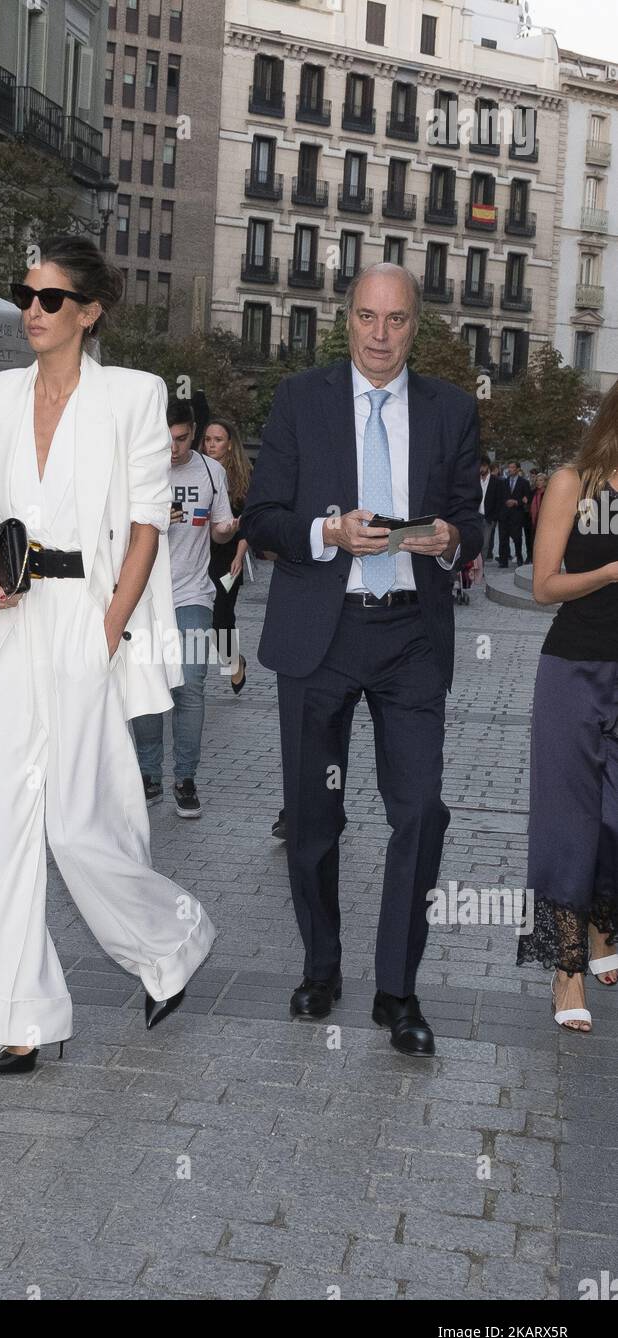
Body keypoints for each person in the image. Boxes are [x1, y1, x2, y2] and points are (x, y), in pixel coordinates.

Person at [0, 236, 217, 1073]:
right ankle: (17, 1018)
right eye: (24, 293)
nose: (32, 309)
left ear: (89, 312)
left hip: (87, 619)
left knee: (78, 821)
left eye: (51, 298)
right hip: (10, 616)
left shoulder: (131, 397)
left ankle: (171, 940)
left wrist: (108, 629)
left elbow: (145, 525)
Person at [240, 262, 483, 1057]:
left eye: (398, 320)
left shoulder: (450, 410)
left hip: (411, 636)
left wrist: (452, 539)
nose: (381, 335)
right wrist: (328, 534)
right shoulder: (299, 400)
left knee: (420, 813)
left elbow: (469, 523)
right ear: (346, 318)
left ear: (418, 326)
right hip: (322, 632)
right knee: (315, 815)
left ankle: (396, 989)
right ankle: (321, 965)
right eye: (368, 317)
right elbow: (263, 516)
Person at [518, 385, 618, 1030]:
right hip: (575, 667)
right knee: (568, 818)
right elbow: (543, 585)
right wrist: (611, 571)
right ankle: (569, 969)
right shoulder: (572, 485)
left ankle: (606, 929)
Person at [131, 400, 237, 818]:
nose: (172, 449)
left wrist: (228, 531)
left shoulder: (212, 472)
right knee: (147, 687)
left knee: (189, 686)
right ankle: (148, 774)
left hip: (193, 595)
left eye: (180, 439)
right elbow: (114, 531)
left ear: (193, 433)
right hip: (143, 598)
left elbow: (221, 529)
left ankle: (185, 778)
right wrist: (157, 519)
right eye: (166, 439)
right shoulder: (141, 470)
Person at [201, 416, 252, 693]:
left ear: (230, 445)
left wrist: (240, 556)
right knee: (197, 618)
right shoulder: (196, 471)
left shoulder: (242, 477)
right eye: (208, 440)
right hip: (197, 557)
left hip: (228, 558)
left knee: (221, 617)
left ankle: (234, 661)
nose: (211, 445)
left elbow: (248, 521)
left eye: (217, 440)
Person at [497, 460, 530, 568]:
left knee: (517, 538)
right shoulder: (504, 482)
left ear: (518, 469)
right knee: (503, 538)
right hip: (504, 515)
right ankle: (503, 560)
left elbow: (527, 498)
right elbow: (500, 497)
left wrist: (516, 502)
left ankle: (519, 558)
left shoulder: (524, 482)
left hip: (517, 515)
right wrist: (506, 501)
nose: (510, 469)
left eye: (512, 467)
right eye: (509, 467)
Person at [479, 457, 502, 563]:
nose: (480, 469)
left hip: (488, 518)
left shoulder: (496, 481)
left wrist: (493, 518)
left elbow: (499, 501)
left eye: (483, 466)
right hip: (475, 517)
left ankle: (481, 568)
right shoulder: (474, 480)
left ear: (487, 466)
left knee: (485, 545)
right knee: (474, 542)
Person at [530, 469, 547, 534]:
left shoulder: (547, 493)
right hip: (534, 521)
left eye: (541, 480)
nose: (538, 482)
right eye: (537, 480)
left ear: (545, 482)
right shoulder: (533, 492)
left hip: (544, 522)